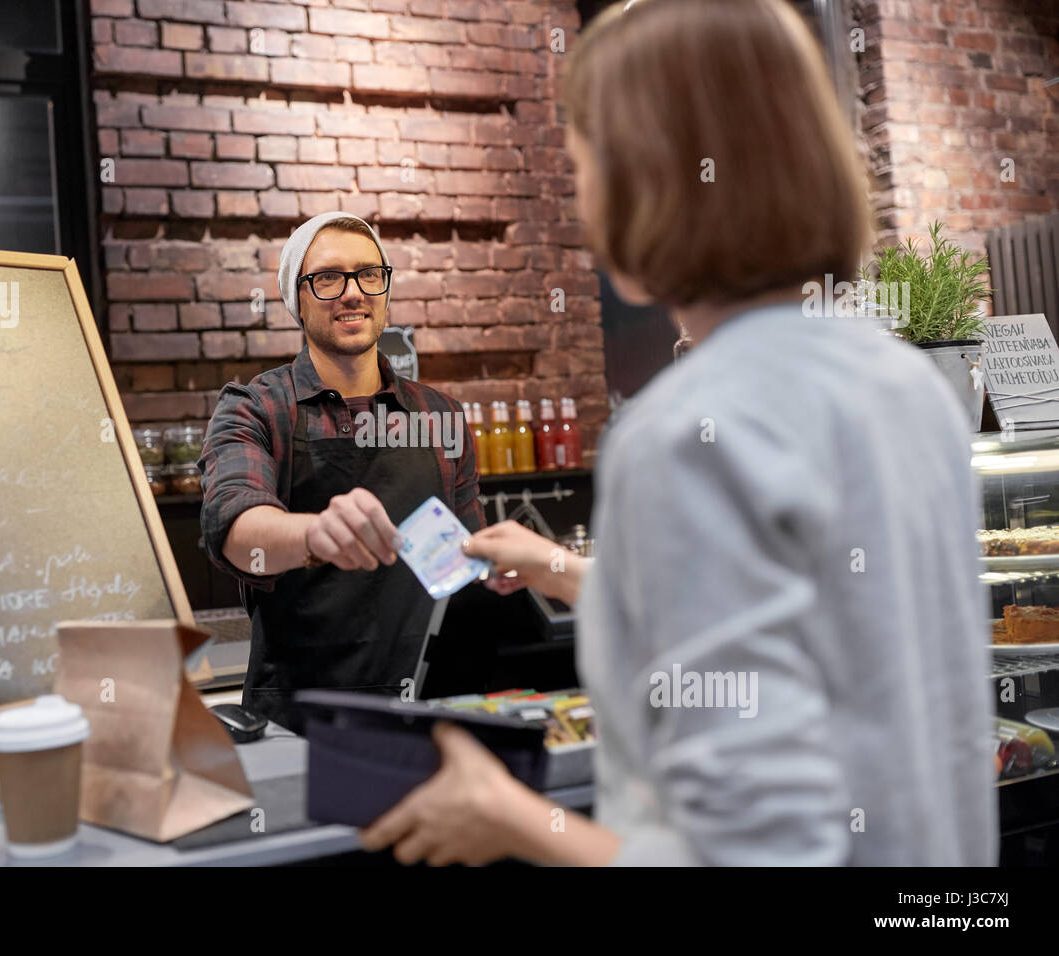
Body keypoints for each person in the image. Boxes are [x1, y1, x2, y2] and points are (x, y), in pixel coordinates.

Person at [360, 0, 997, 866]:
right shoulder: (904, 385)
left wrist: (507, 819)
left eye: (584, 160)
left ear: (642, 178)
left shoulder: (685, 434)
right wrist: (566, 571)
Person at [197, 212, 483, 733]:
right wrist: (315, 533)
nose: (352, 292)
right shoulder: (255, 408)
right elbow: (235, 528)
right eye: (327, 278)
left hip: (429, 708)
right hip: (301, 721)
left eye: (368, 274)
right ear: (297, 300)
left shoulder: (439, 414)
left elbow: (465, 562)